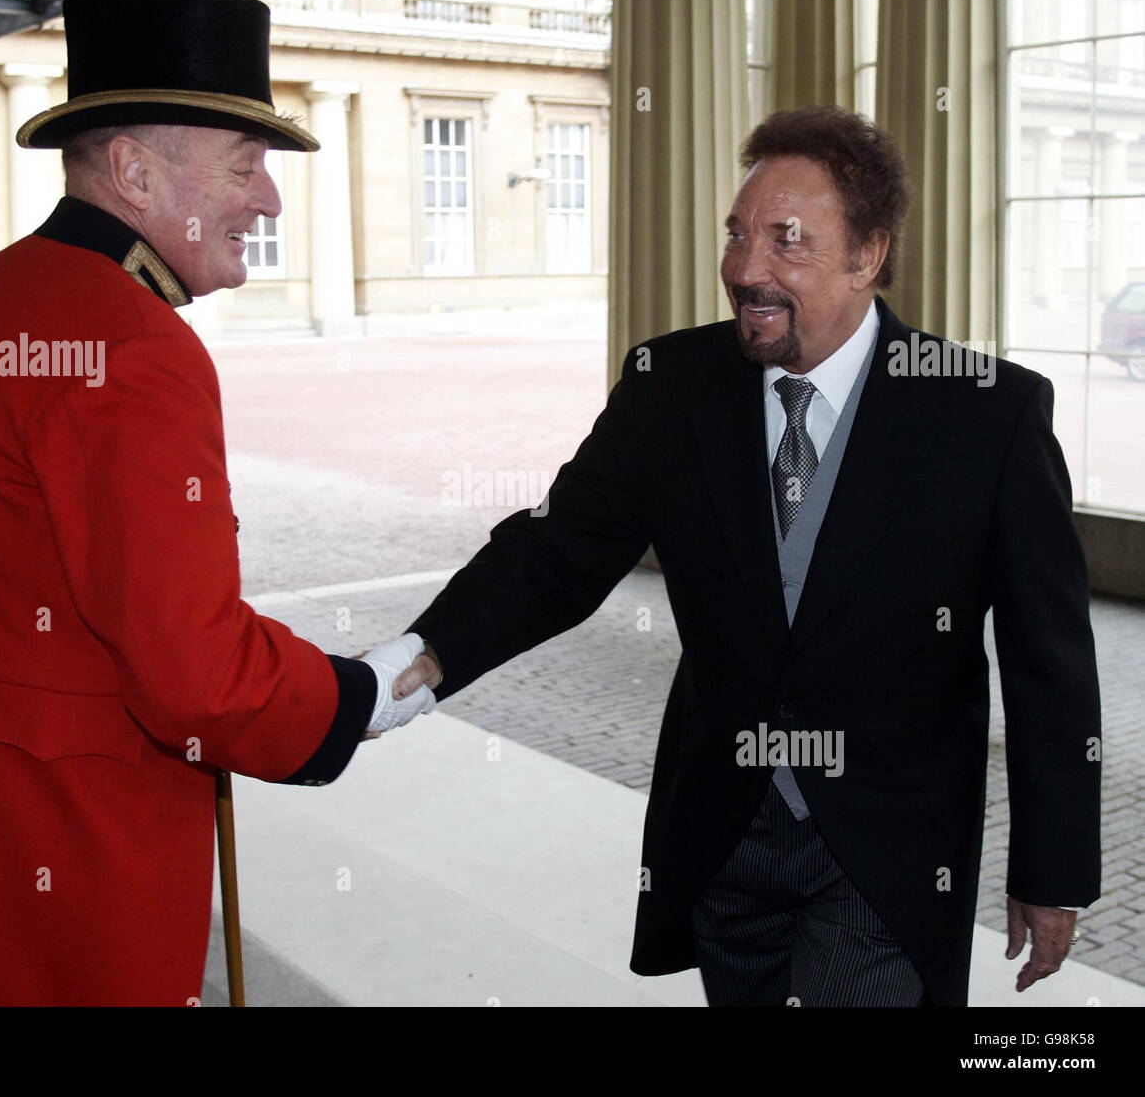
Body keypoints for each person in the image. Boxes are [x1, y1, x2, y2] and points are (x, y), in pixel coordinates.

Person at [381, 106, 1101, 1006]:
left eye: (785, 241)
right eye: (737, 235)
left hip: (887, 849)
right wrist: (419, 659)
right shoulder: (671, 386)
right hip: (725, 836)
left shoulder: (985, 414)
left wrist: (1054, 866)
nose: (744, 270)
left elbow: (1051, 664)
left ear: (867, 255)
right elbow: (558, 551)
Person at [0, 0, 432, 1007]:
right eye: (244, 167)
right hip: (67, 844)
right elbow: (195, 676)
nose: (270, 202)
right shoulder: (132, 346)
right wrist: (351, 699)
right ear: (133, 171)